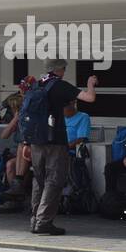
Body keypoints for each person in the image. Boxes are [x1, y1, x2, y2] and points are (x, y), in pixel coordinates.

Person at [27, 59, 97, 236]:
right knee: (54, 180)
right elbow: (90, 98)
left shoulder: (36, 85)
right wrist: (90, 84)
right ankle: (44, 222)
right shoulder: (60, 85)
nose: (65, 72)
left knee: (39, 179)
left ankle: (35, 220)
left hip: (36, 140)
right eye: (64, 69)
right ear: (59, 70)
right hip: (54, 141)